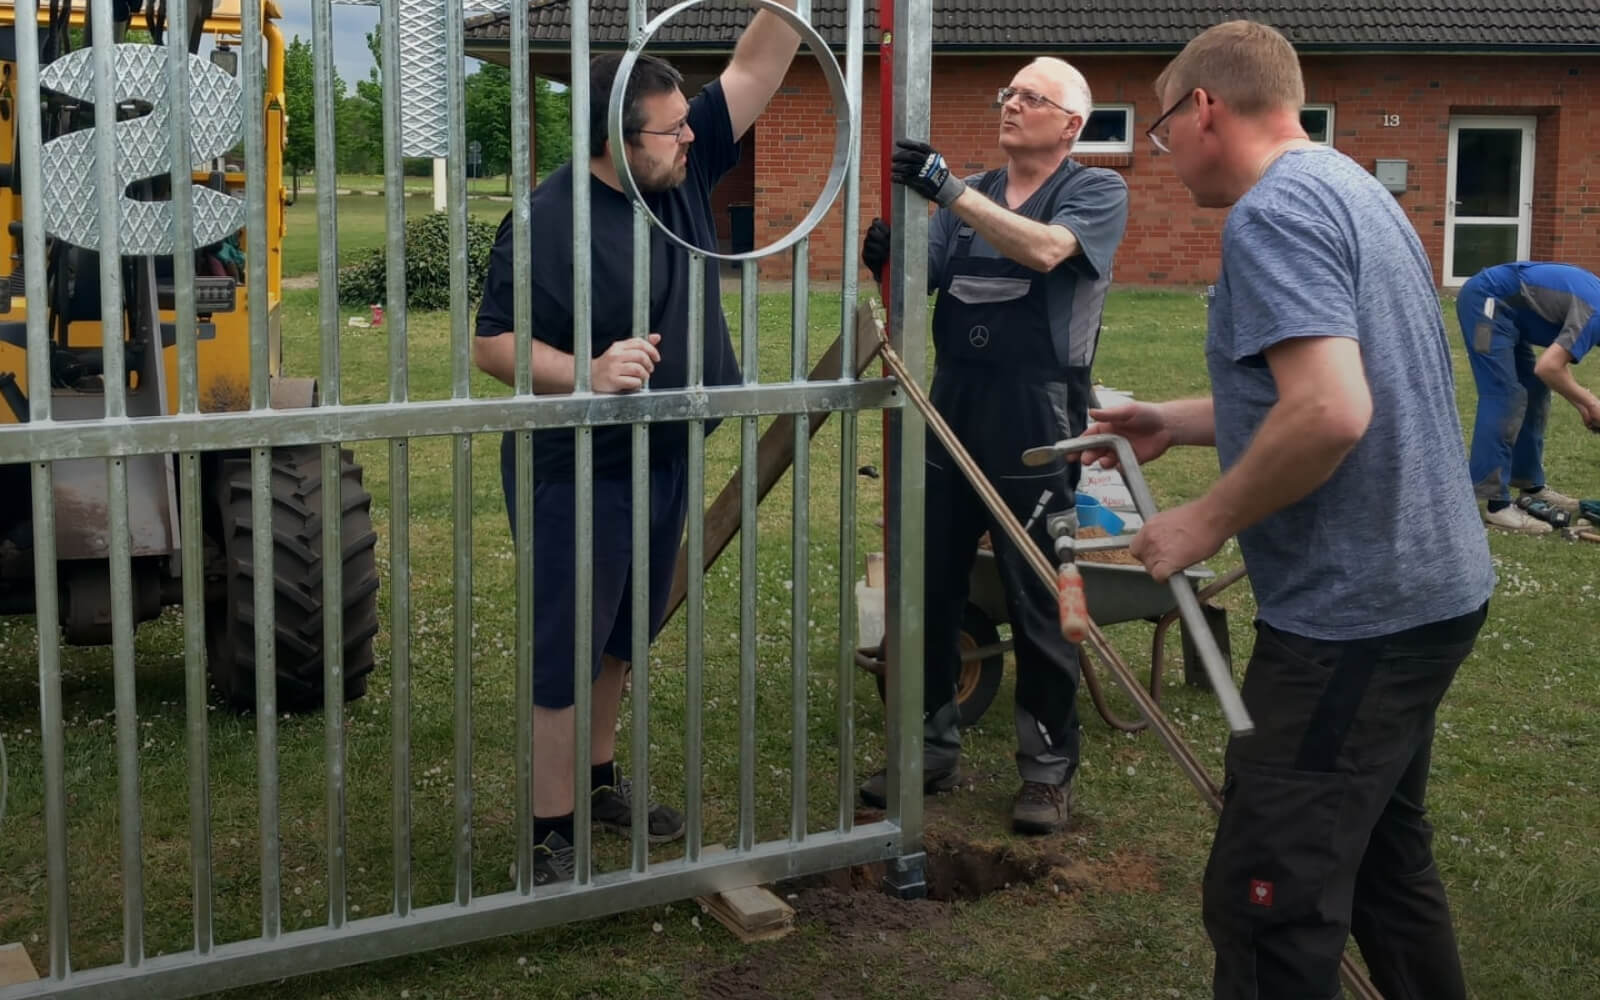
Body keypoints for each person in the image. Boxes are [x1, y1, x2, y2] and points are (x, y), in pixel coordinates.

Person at [1080, 20, 1496, 999]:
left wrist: (1204, 519)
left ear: (1204, 109)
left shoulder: (1270, 214)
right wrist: (1174, 421)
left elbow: (1331, 411)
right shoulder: (1354, 187)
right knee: (1383, 862)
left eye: (1159, 130)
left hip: (1355, 617)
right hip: (1432, 591)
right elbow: (1341, 382)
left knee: (1267, 901)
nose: (1162, 153)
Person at [472, 7, 801, 883]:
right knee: (567, 647)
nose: (691, 138)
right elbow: (492, 345)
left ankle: (595, 782)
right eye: (670, 129)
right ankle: (549, 831)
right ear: (617, 141)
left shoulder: (680, 175)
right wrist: (586, 371)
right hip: (575, 470)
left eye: (689, 123)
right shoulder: (548, 219)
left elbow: (760, 63)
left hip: (663, 455)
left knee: (623, 633)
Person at [858, 57, 1129, 835]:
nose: (1011, 104)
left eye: (1030, 97)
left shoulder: (1094, 191)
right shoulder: (967, 195)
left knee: (1039, 592)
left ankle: (1046, 771)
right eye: (1008, 94)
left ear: (1071, 124)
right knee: (931, 584)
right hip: (952, 403)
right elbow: (919, 285)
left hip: (1038, 415)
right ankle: (929, 746)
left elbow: (1045, 251)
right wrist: (889, 257)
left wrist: (948, 192)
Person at [1455, 260, 1600, 534]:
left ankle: (1530, 485)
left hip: (1510, 314)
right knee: (1504, 395)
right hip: (1486, 302)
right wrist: (1591, 402)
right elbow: (1549, 367)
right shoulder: (1596, 314)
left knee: (1535, 389)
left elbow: (1554, 366)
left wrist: (1583, 406)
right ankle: (1496, 505)